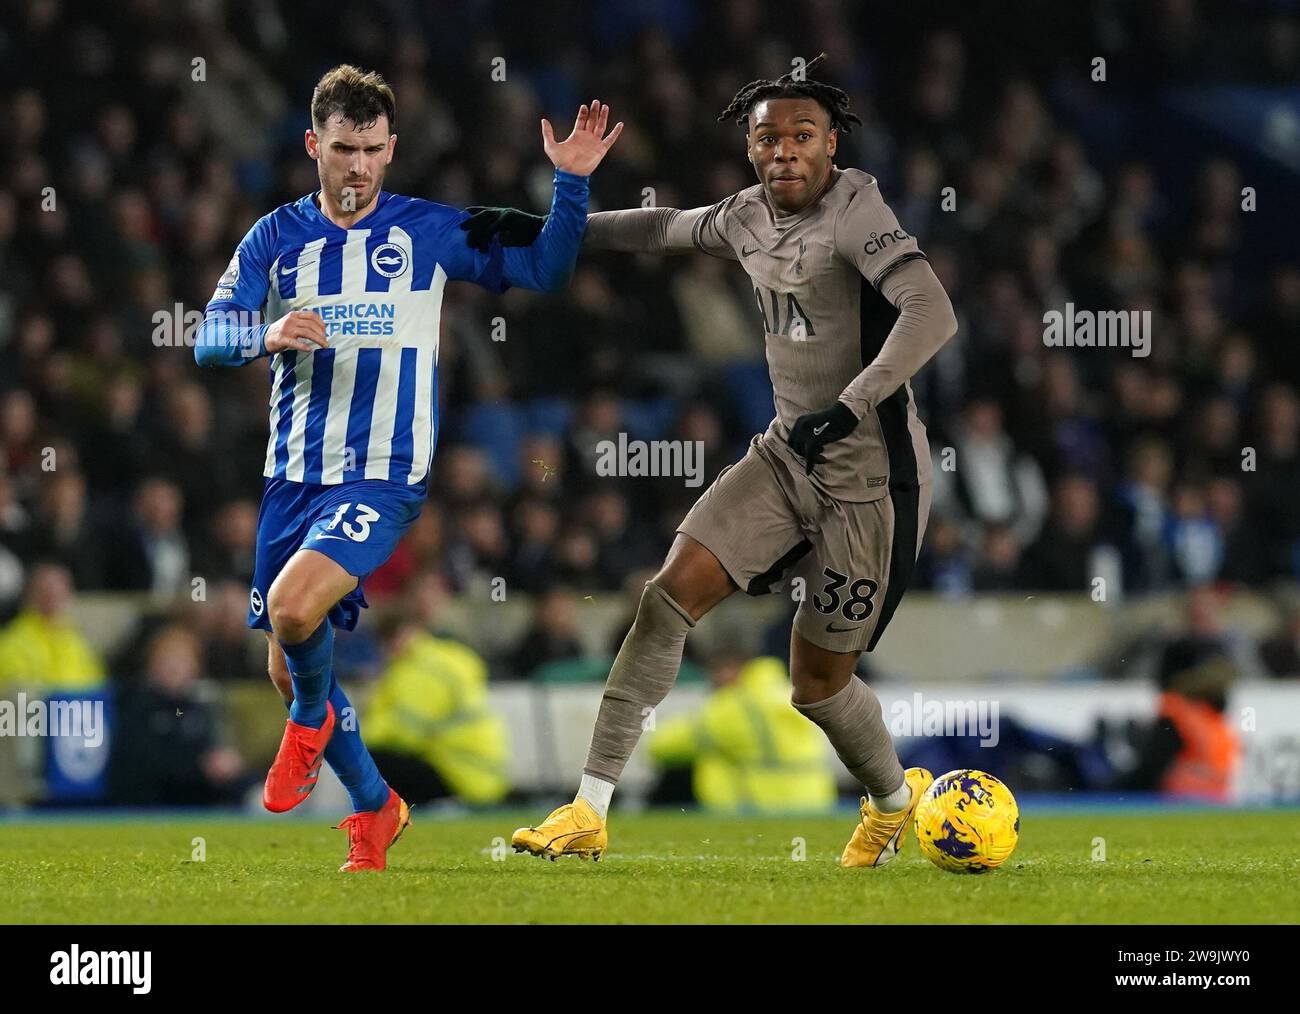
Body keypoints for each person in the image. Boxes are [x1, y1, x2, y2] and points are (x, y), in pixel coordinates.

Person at [499, 57, 959, 866]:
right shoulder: (744, 216)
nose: (785, 152)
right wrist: (550, 231)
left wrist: (848, 406)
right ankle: (588, 808)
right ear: (750, 150)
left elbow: (932, 311)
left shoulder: (860, 208)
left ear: (831, 145)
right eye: (768, 138)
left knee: (816, 686)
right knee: (665, 598)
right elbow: (660, 227)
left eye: (803, 136)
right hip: (785, 456)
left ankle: (892, 803)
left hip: (870, 479)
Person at [194, 65, 621, 871]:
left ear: (392, 151)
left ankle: (310, 731)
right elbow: (205, 337)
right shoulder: (273, 239)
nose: (356, 167)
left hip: (384, 473)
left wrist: (568, 185)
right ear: (313, 145)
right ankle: (375, 806)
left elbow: (546, 268)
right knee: (287, 668)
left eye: (372, 151)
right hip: (292, 479)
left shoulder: (429, 230)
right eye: (342, 149)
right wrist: (266, 334)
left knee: (292, 613)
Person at [649, 654, 836, 814]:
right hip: (816, 802)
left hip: (757, 806)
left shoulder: (734, 706)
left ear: (736, 669)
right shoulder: (791, 693)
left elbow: (661, 746)